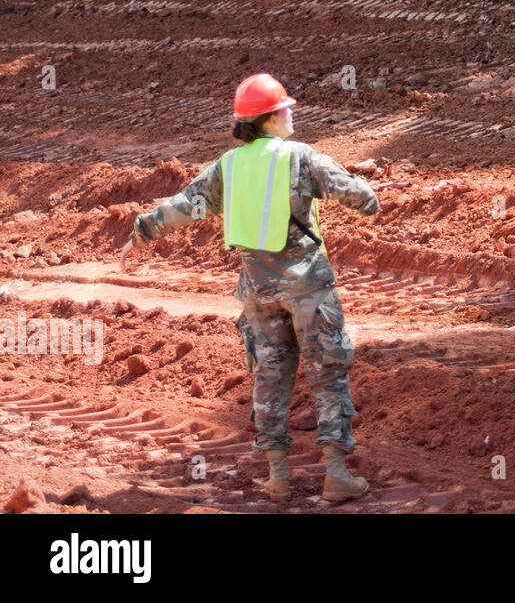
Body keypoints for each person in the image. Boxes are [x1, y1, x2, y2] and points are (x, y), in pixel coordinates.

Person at [119, 73, 380, 503]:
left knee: (269, 381)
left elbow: (185, 205)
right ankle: (336, 476)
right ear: (271, 117)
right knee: (328, 378)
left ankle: (278, 479)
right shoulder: (301, 157)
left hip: (258, 293)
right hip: (310, 292)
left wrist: (142, 233)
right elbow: (365, 200)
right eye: (286, 108)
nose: (292, 112)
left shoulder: (229, 166)